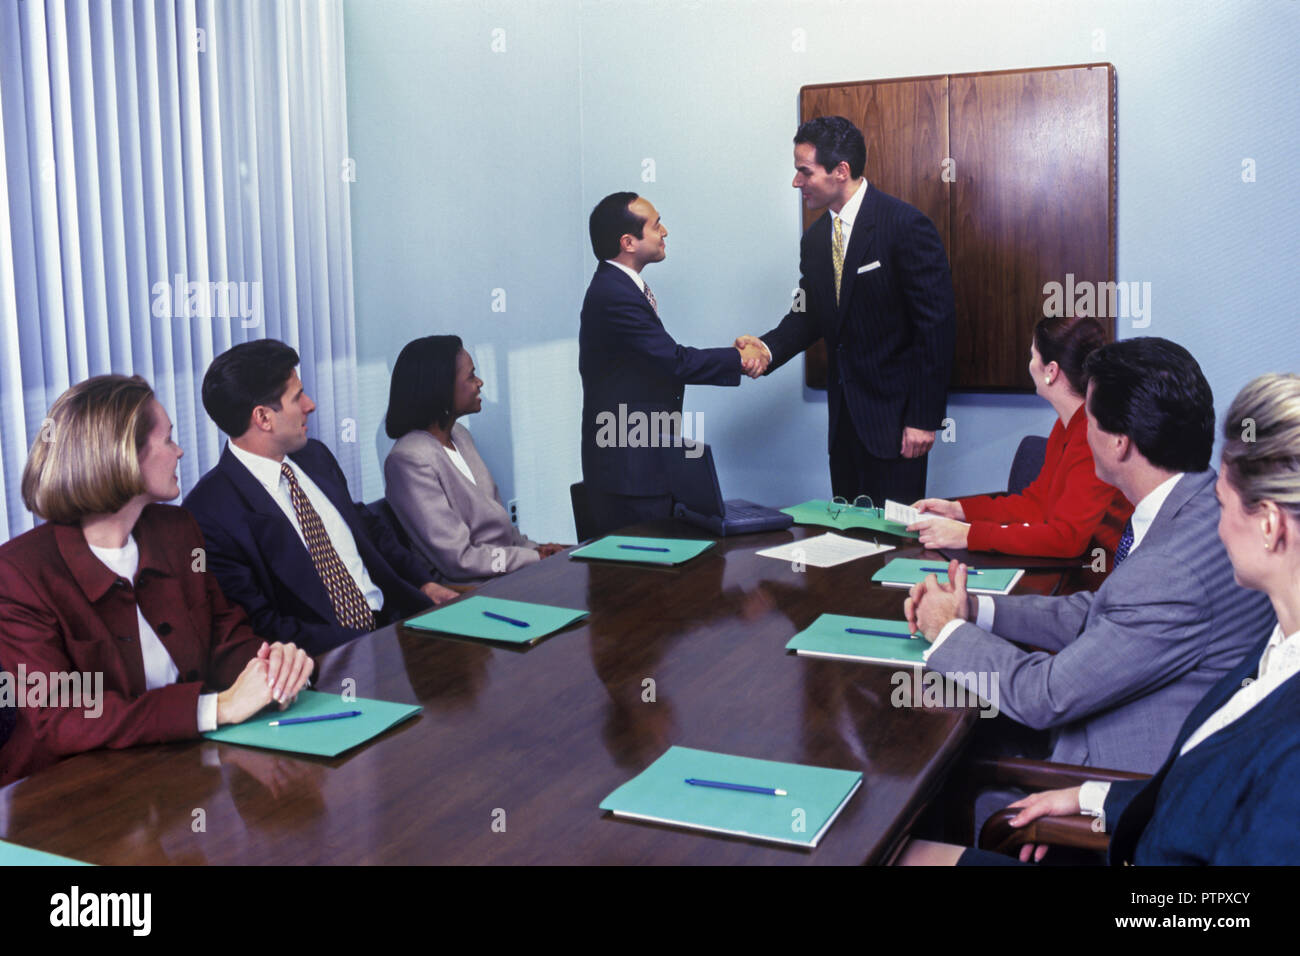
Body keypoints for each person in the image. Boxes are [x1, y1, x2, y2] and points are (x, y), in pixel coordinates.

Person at [902, 373, 1300, 865]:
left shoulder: (1289, 746)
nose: (1215, 525)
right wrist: (1096, 801)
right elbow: (1203, 780)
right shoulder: (1281, 648)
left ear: (1270, 525)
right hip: (1121, 802)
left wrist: (950, 631)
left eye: (1223, 503)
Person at [0, 375, 312, 786]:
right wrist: (215, 709)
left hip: (183, 773)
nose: (180, 451)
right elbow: (62, 717)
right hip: (69, 795)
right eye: (167, 440)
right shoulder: (19, 571)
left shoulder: (179, 530)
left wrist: (273, 668)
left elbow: (226, 635)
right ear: (122, 456)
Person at [184, 340, 456, 655]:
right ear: (263, 418)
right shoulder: (210, 512)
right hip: (328, 660)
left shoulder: (315, 457)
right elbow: (260, 626)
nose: (310, 405)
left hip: (402, 628)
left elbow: (370, 531)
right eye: (297, 397)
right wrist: (363, 646)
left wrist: (424, 583)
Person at [737, 115, 955, 504]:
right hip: (843, 427)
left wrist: (923, 419)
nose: (795, 183)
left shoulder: (905, 226)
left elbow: (935, 329)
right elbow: (808, 314)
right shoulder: (816, 239)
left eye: (804, 172)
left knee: (893, 550)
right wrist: (766, 350)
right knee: (846, 549)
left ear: (841, 171)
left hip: (897, 425)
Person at [579, 192, 766, 538]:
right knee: (643, 581)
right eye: (656, 224)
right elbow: (673, 361)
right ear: (628, 242)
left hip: (640, 462)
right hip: (629, 472)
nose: (665, 231)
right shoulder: (614, 295)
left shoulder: (620, 288)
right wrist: (739, 359)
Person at [909, 316, 1132, 559]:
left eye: (1033, 356)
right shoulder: (1067, 424)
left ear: (1051, 371)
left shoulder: (1092, 436)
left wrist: (969, 534)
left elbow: (1067, 539)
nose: (1030, 365)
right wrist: (958, 510)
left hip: (1104, 574)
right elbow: (1036, 504)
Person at [383, 335, 565, 584]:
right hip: (473, 588)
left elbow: (500, 528)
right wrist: (531, 559)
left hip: (507, 572)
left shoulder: (460, 436)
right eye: (470, 376)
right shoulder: (409, 459)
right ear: (441, 387)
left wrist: (536, 549)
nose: (479, 383)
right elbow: (460, 560)